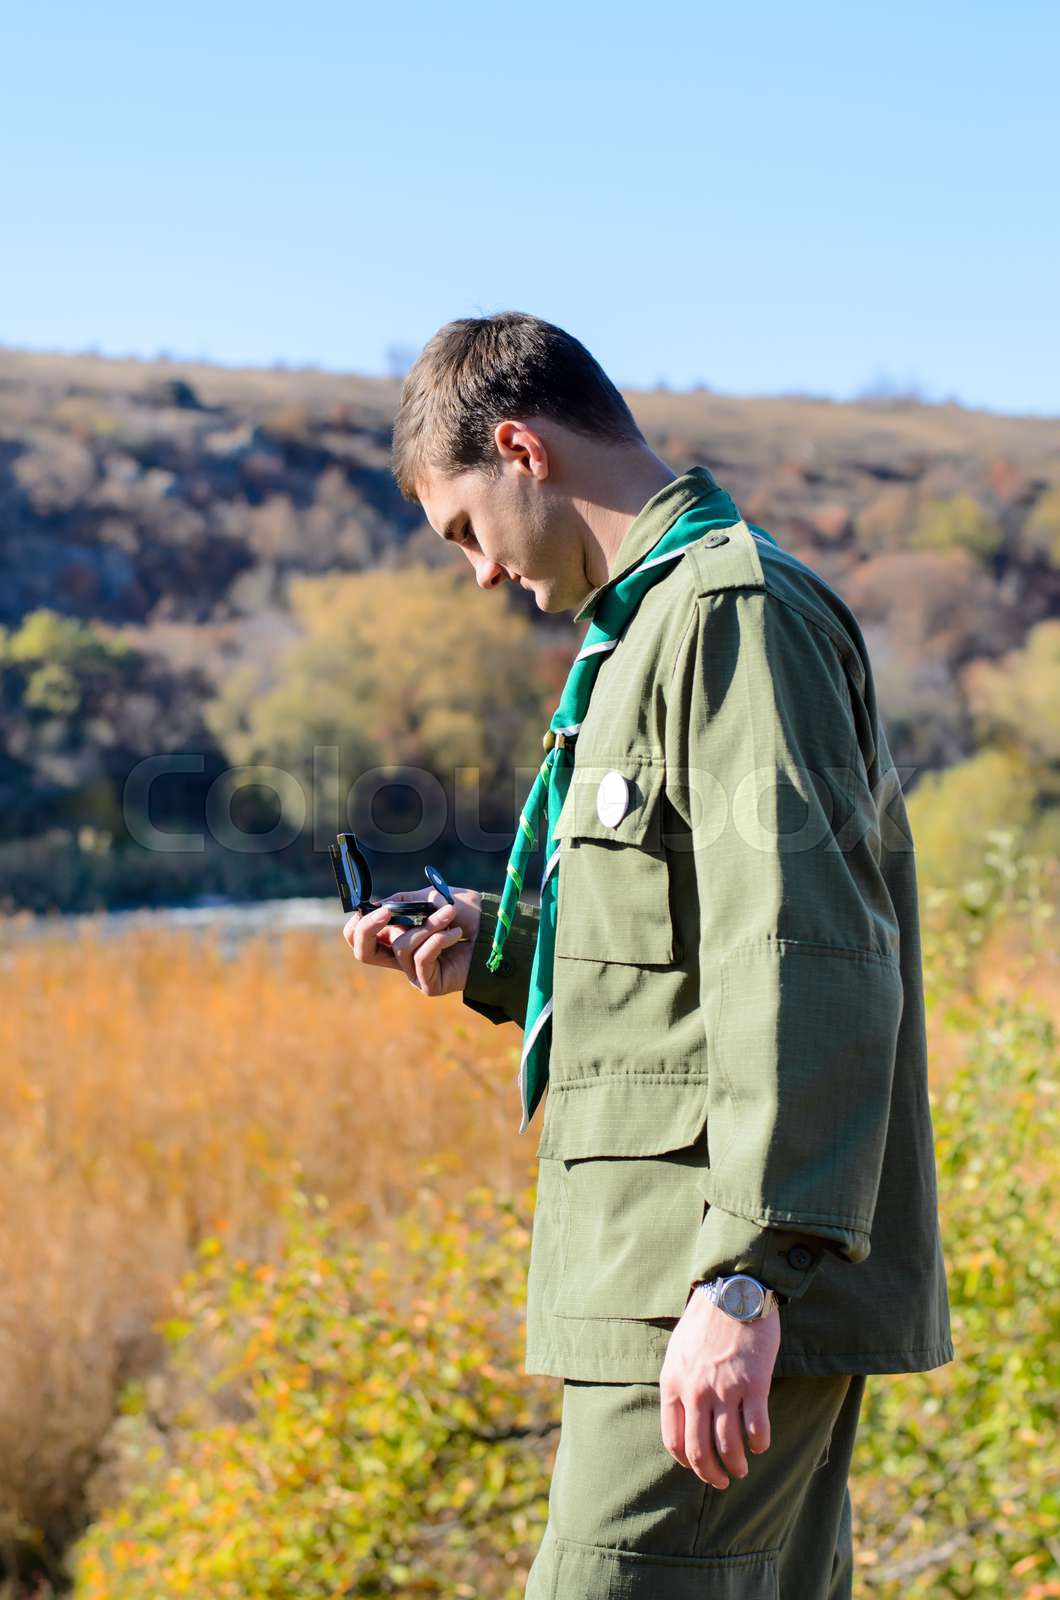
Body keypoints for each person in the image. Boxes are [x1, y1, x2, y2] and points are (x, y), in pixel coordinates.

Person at [344, 311, 953, 1598]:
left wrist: (746, 1276)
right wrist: (497, 957)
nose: (476, 572)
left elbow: (805, 946)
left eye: (464, 530)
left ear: (520, 447)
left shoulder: (728, 615)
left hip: (710, 1282)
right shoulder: (646, 633)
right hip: (666, 1276)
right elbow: (670, 953)